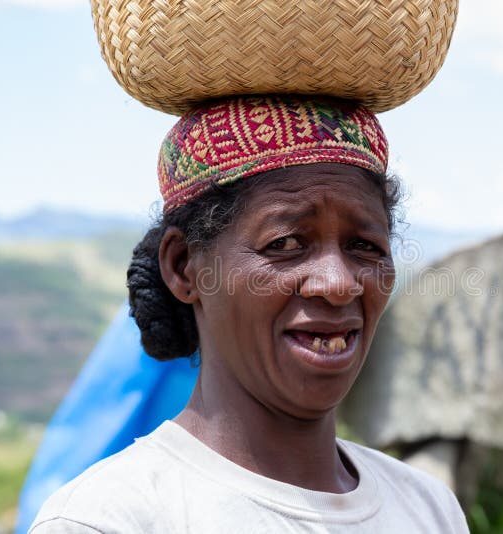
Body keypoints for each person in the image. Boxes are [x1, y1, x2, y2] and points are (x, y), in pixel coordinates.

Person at [28, 95, 469, 533]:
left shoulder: (428, 509)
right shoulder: (109, 520)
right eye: (285, 244)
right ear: (184, 266)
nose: (339, 283)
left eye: (364, 246)